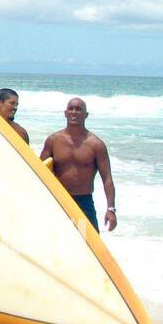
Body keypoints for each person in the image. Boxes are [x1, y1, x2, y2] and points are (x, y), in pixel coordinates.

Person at [39, 97, 116, 233]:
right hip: (58, 200)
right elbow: (38, 171)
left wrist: (111, 209)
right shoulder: (53, 140)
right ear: (65, 113)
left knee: (88, 246)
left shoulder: (96, 144)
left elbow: (107, 179)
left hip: (83, 202)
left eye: (79, 109)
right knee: (55, 243)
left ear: (86, 115)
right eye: (71, 109)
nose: (74, 112)